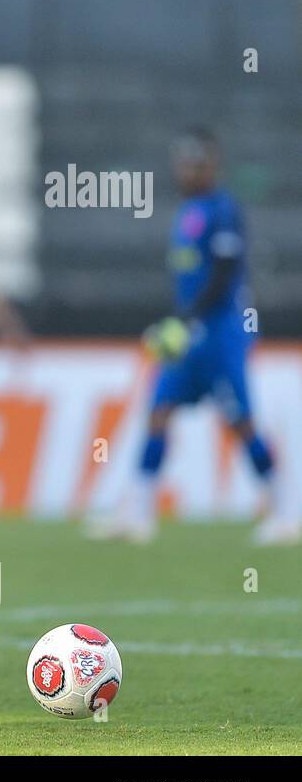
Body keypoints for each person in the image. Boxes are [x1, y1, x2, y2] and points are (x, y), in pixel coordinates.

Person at [87, 129, 296, 546]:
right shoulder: (188, 210)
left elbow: (222, 273)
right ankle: (139, 515)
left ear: (211, 164)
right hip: (188, 334)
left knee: (241, 421)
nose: (185, 170)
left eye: (194, 162)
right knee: (159, 411)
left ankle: (285, 511)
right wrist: (182, 322)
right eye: (181, 161)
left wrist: (185, 317)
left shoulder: (222, 209)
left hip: (219, 333)